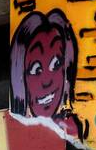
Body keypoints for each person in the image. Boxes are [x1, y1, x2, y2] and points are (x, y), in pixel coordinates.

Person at [10, 8, 86, 139]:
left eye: (56, 65)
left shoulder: (71, 130)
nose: (47, 81)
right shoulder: (18, 138)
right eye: (36, 70)